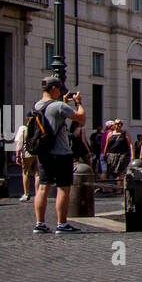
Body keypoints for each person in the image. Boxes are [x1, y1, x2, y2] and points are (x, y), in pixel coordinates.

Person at [30, 77, 86, 234]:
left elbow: (54, 117)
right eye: (60, 89)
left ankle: (39, 223)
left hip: (44, 152)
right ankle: (62, 224)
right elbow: (81, 119)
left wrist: (63, 102)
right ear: (54, 89)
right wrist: (78, 102)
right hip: (61, 153)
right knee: (63, 189)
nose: (61, 92)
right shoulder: (59, 106)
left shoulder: (37, 106)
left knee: (42, 188)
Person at [12, 121, 35, 201]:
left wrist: (17, 155)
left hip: (27, 154)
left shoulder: (23, 128)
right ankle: (39, 193)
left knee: (25, 173)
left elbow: (19, 143)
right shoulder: (37, 127)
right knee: (37, 174)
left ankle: (26, 193)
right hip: (37, 154)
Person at [105, 120, 131, 184]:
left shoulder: (125, 133)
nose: (119, 125)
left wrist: (132, 155)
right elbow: (107, 144)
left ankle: (119, 189)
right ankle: (115, 187)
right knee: (113, 172)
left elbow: (130, 144)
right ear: (114, 125)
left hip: (122, 155)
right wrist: (104, 154)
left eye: (121, 124)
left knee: (119, 171)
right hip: (112, 156)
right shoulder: (110, 134)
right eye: (117, 124)